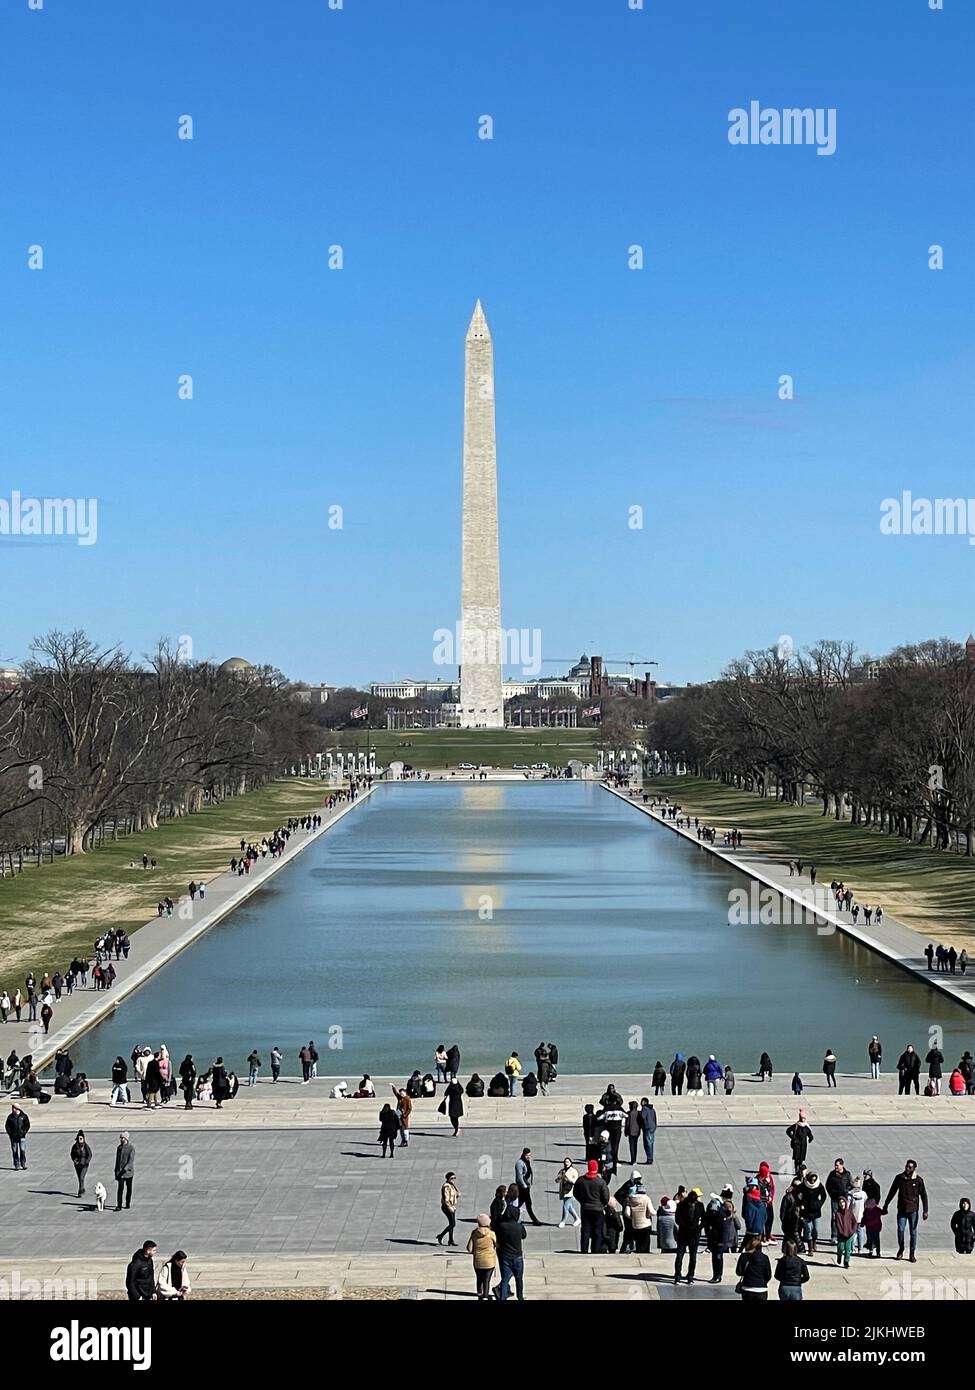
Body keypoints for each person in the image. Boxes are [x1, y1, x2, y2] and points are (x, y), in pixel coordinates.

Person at [882, 1159, 929, 1262]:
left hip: (913, 1211)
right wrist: (886, 1205)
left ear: (914, 1169)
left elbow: (924, 1196)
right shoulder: (899, 1178)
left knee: (913, 1232)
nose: (907, 1169)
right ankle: (901, 1248)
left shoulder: (918, 1180)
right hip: (902, 1209)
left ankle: (912, 1253)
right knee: (901, 1230)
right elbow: (892, 1192)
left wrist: (925, 1210)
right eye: (906, 1166)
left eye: (910, 1167)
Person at [573, 1159, 610, 1254]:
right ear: (596, 1168)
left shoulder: (580, 1180)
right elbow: (606, 1196)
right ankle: (595, 1250)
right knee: (597, 1231)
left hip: (585, 1208)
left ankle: (584, 1250)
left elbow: (575, 1193)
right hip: (598, 1209)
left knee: (585, 1230)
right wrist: (603, 1204)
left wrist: (582, 1201)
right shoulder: (600, 1182)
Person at [674, 1187, 706, 1285]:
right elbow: (678, 1220)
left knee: (693, 1257)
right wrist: (687, 1227)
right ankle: (677, 1276)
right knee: (679, 1256)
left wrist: (699, 1228)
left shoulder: (700, 1206)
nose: (692, 1204)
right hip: (683, 1233)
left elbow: (704, 1219)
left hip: (694, 1235)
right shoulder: (681, 1205)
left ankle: (690, 1275)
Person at [705, 1196, 740, 1283]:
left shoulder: (722, 1216)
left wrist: (722, 1242)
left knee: (718, 1258)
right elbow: (707, 1226)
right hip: (713, 1240)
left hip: (720, 1241)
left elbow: (725, 1231)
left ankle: (718, 1276)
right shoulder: (711, 1214)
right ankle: (715, 1274)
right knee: (714, 1258)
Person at [496, 1204, 527, 1301]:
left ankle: (502, 1297)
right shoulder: (519, 1226)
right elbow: (524, 1236)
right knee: (519, 1279)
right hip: (517, 1257)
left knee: (505, 1280)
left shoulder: (501, 1226)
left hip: (505, 1256)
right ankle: (520, 1297)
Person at [466, 1214, 497, 1300]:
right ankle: (485, 1296)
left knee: (479, 1278)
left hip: (478, 1260)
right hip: (489, 1261)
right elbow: (497, 1245)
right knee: (486, 1280)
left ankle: (479, 1294)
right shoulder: (491, 1234)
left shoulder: (474, 1233)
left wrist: (474, 1252)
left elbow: (469, 1248)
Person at [735, 1235, 772, 1301]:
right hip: (761, 1289)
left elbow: (739, 1272)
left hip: (747, 1288)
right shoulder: (765, 1258)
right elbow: (768, 1275)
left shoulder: (743, 1256)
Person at [800, 1171, 827, 1254]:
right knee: (808, 1229)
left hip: (816, 1211)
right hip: (807, 1211)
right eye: (811, 1180)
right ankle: (810, 1248)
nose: (813, 1181)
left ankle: (814, 1242)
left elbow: (824, 1195)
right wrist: (801, 1203)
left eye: (814, 1180)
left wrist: (819, 1204)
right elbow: (796, 1193)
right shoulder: (804, 1185)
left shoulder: (818, 1185)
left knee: (815, 1229)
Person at [515, 1147, 541, 1225]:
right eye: (527, 1155)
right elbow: (519, 1176)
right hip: (522, 1187)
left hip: (526, 1186)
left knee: (520, 1203)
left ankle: (509, 1214)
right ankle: (535, 1220)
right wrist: (524, 1186)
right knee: (528, 1203)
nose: (529, 1157)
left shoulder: (526, 1161)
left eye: (529, 1155)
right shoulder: (519, 1163)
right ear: (523, 1154)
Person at [437, 1172, 460, 1247]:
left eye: (454, 1178)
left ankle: (450, 1240)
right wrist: (450, 1208)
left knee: (451, 1224)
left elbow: (455, 1195)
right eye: (452, 1178)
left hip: (452, 1206)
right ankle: (440, 1236)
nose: (453, 1180)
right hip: (447, 1207)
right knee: (453, 1224)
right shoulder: (446, 1186)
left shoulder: (452, 1185)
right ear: (448, 1178)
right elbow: (446, 1199)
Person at [787, 1111, 814, 1175]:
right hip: (797, 1144)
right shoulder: (796, 1125)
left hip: (803, 1145)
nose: (803, 1119)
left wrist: (810, 1138)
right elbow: (788, 1131)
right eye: (802, 1118)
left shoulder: (806, 1127)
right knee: (796, 1158)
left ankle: (800, 1169)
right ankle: (796, 1169)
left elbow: (810, 1134)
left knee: (801, 1159)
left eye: (804, 1118)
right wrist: (793, 1138)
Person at [114, 1131, 135, 1210]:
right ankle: (119, 1205)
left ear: (126, 1138)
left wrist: (125, 1169)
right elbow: (117, 1160)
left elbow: (131, 1160)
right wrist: (116, 1171)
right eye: (120, 1138)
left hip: (128, 1173)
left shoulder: (131, 1148)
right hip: (120, 1173)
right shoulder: (119, 1148)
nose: (121, 1139)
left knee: (129, 1189)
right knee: (120, 1189)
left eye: (122, 1138)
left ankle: (127, 1203)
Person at [557, 1157, 580, 1228]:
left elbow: (575, 1181)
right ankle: (577, 1218)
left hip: (570, 1190)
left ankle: (563, 1221)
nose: (566, 1163)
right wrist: (560, 1177)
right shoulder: (562, 1171)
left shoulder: (573, 1171)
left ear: (571, 1163)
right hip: (563, 1190)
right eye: (565, 1162)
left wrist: (567, 1178)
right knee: (569, 1206)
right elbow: (557, 1180)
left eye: (567, 1162)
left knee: (565, 1205)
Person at [834, 1195, 857, 1268]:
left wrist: (852, 1231)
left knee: (848, 1249)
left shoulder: (849, 1212)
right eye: (840, 1202)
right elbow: (837, 1224)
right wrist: (841, 1232)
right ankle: (839, 1256)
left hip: (849, 1234)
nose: (842, 1204)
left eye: (843, 1202)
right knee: (840, 1247)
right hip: (841, 1235)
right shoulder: (837, 1213)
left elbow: (855, 1222)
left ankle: (846, 1262)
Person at [6, 1103, 29, 1170]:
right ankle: (16, 1164)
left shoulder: (23, 1116)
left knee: (22, 1150)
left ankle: (23, 1163)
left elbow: (27, 1125)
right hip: (13, 1137)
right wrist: (10, 1134)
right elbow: (7, 1126)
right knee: (15, 1151)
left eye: (14, 1108)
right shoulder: (10, 1117)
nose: (12, 1109)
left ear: (17, 1109)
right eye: (12, 1108)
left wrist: (24, 1132)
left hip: (22, 1136)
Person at [70, 1130, 92, 1198]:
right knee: (79, 1178)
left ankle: (80, 1191)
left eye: (81, 1138)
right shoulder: (74, 1146)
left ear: (83, 1139)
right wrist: (74, 1160)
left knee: (81, 1177)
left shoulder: (86, 1146)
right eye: (79, 1138)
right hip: (77, 1164)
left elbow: (90, 1154)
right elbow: (72, 1154)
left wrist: (87, 1161)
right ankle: (82, 1188)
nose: (80, 1140)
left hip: (84, 1165)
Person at [638, 1097, 656, 1164]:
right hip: (652, 1127)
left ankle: (649, 1158)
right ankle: (650, 1157)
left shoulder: (644, 1108)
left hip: (647, 1127)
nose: (641, 1103)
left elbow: (643, 1117)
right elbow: (654, 1118)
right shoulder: (652, 1109)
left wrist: (639, 1113)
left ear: (645, 1102)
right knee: (651, 1142)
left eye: (642, 1101)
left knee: (647, 1143)